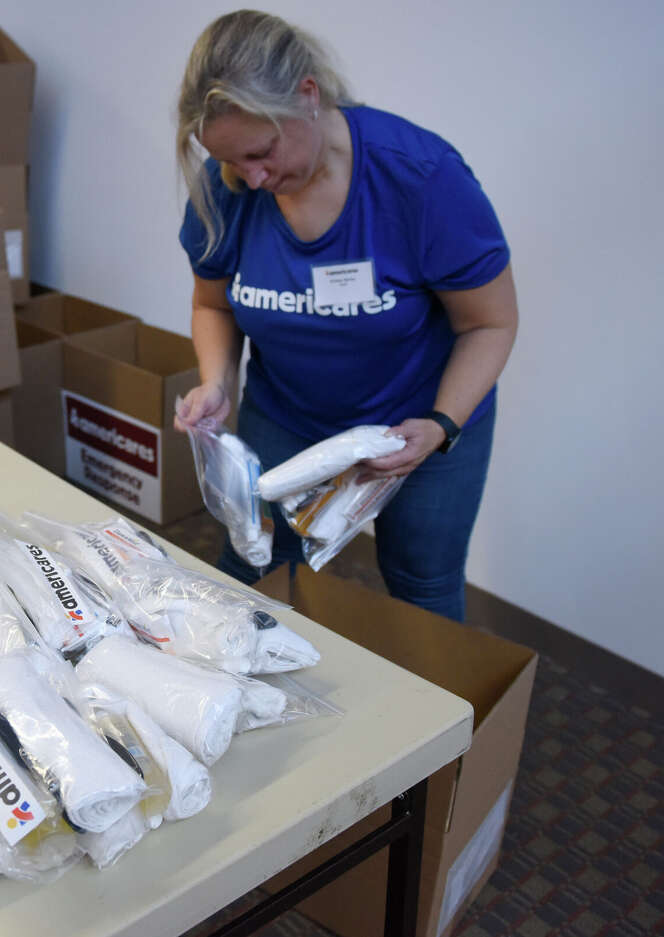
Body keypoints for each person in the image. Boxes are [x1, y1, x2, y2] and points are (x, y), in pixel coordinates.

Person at [172, 11, 517, 622]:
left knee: (423, 590)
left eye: (261, 152)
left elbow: (489, 324)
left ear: (308, 96)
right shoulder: (227, 185)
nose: (251, 178)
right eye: (231, 161)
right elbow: (212, 304)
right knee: (254, 562)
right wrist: (217, 383)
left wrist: (440, 424)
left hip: (421, 416)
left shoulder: (420, 177)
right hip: (287, 412)